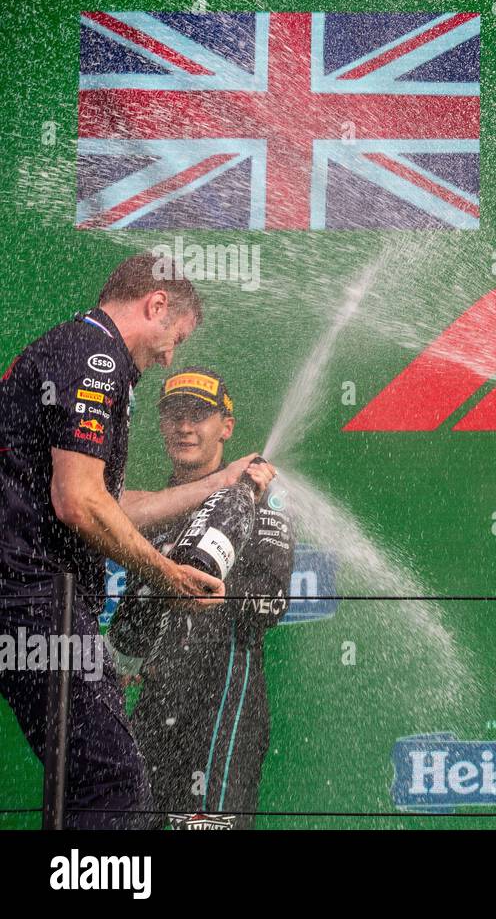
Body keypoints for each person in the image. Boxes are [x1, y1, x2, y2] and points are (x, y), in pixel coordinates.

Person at [0, 253, 273, 829]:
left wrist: (221, 484)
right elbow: (79, 502)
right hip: (39, 600)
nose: (171, 354)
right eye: (176, 336)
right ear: (155, 305)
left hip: (39, 602)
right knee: (113, 781)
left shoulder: (78, 351)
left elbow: (112, 504)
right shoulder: (96, 359)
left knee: (91, 781)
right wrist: (166, 573)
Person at [108, 367, 294, 830]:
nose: (185, 426)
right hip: (154, 711)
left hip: (224, 714)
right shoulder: (150, 509)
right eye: (174, 414)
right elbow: (133, 624)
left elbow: (273, 603)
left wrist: (216, 592)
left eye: (200, 415)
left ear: (226, 427)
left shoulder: (258, 503)